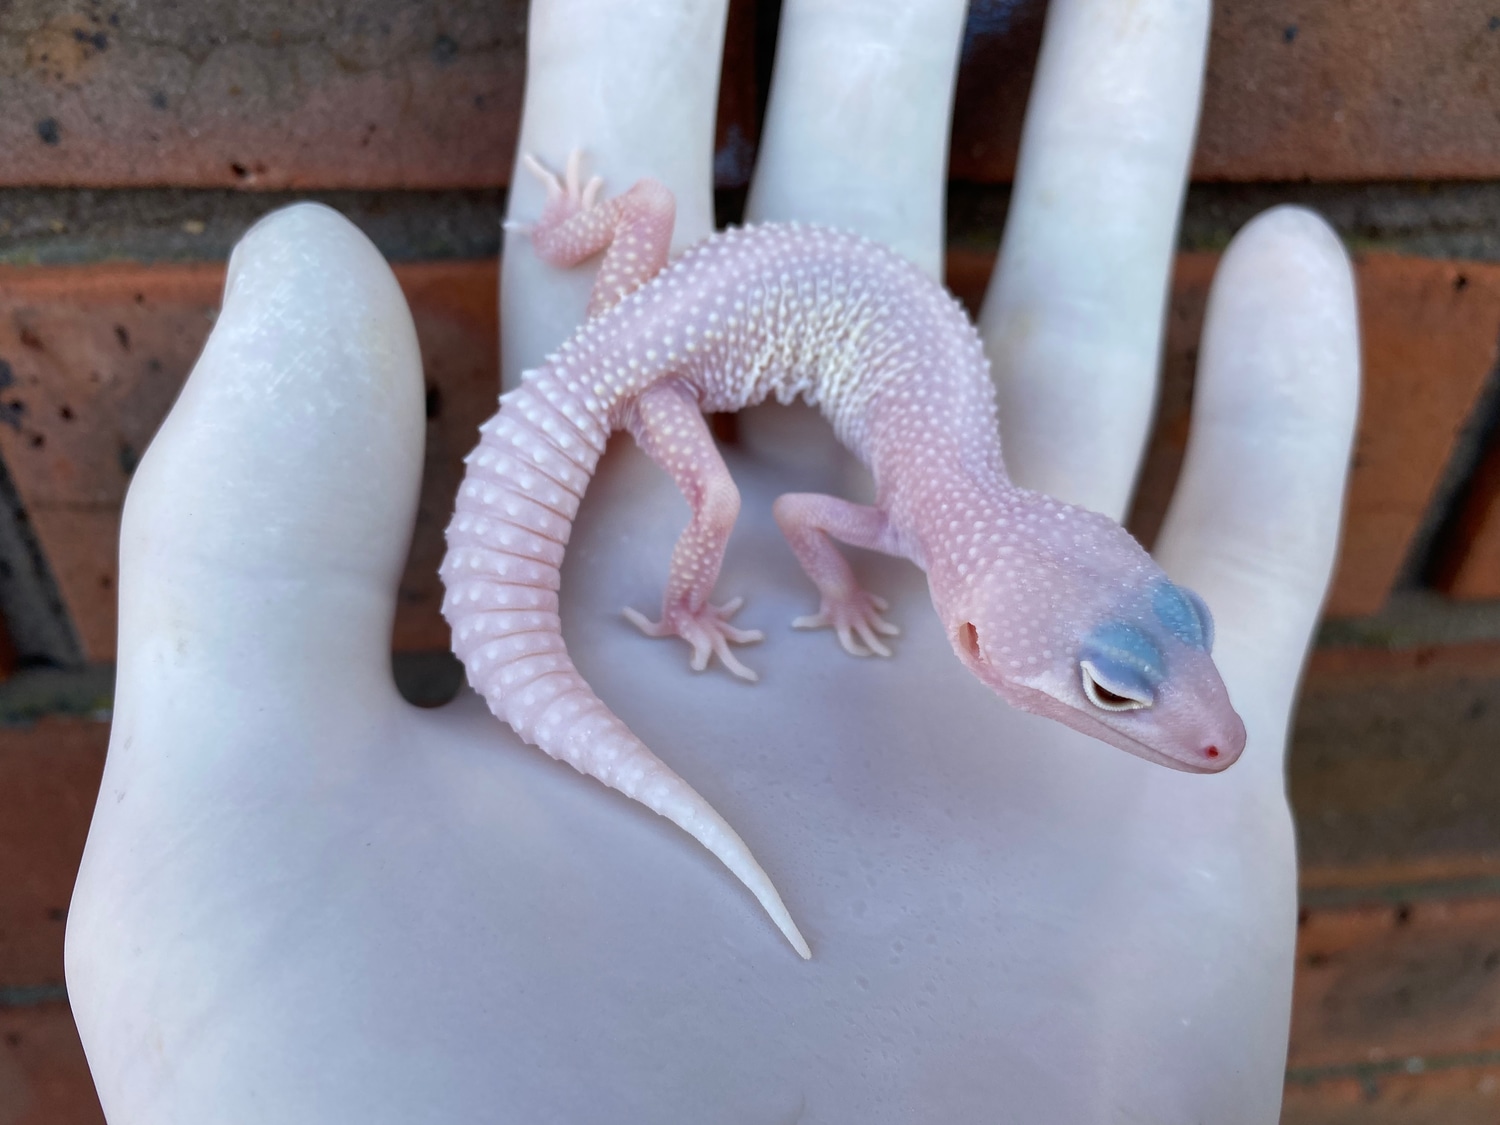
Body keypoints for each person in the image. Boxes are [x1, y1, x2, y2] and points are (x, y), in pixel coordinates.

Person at [65, 1, 1360, 1121]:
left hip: (636, 306)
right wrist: (810, 595)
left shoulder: (952, 507)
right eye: (1115, 696)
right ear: (968, 639)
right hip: (648, 378)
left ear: (1104, 547)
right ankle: (681, 610)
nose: (1194, 731)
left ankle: (583, 229)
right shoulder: (934, 517)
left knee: (649, 216)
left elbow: (825, 529)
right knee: (718, 497)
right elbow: (800, 529)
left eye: (1131, 670)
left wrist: (578, 240)